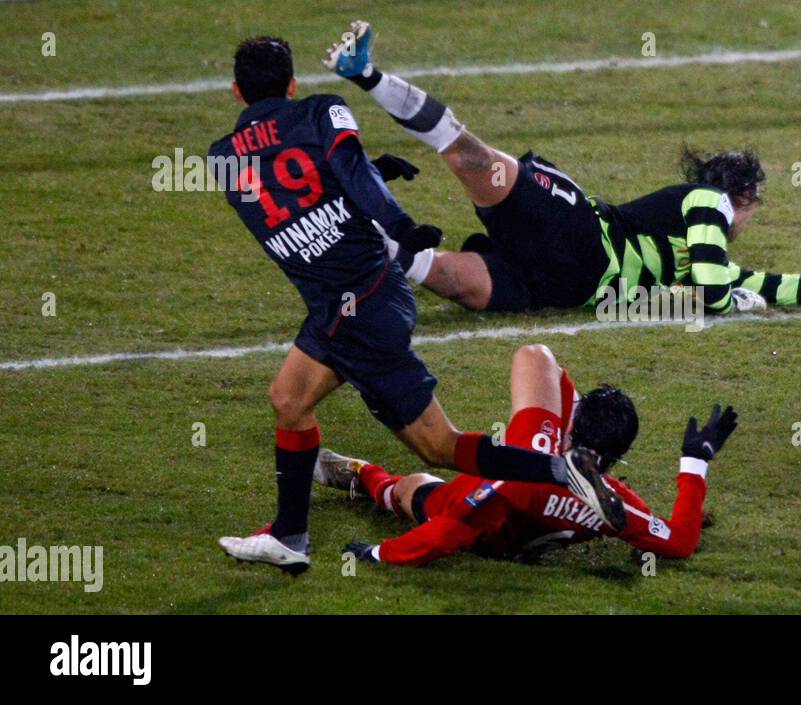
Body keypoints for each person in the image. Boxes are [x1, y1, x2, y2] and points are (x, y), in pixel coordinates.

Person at [208, 37, 624, 574]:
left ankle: (563, 473)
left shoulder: (222, 157)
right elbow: (344, 170)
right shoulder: (322, 110)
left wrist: (372, 183)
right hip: (357, 298)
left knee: (438, 446)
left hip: (357, 306)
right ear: (291, 84)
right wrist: (397, 219)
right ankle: (289, 537)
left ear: (236, 91)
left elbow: (290, 190)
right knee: (288, 398)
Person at [322, 21, 801, 315]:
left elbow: (757, 283)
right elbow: (718, 290)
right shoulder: (706, 204)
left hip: (566, 288)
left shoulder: (701, 249)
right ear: (740, 197)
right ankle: (366, 74)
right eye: (751, 211)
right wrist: (725, 300)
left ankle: (355, 226)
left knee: (450, 279)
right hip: (579, 233)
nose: (746, 223)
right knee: (471, 155)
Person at [315, 344, 736, 566]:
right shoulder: (618, 506)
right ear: (621, 453)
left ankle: (364, 475)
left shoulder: (529, 451)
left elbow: (449, 531)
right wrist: (694, 459)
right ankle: (579, 460)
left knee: (410, 489)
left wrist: (379, 553)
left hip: (479, 504)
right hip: (538, 515)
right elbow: (679, 541)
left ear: (570, 429)